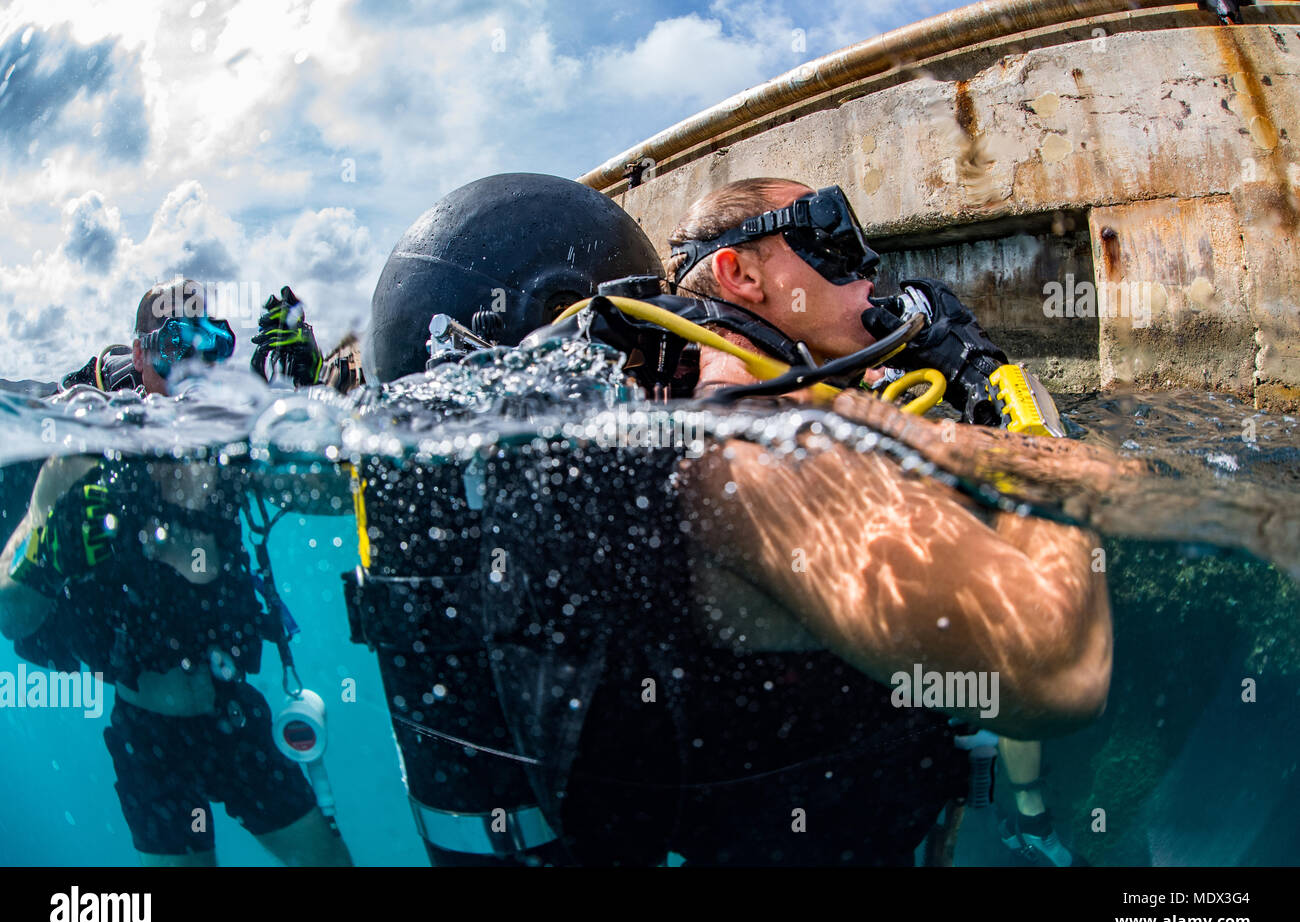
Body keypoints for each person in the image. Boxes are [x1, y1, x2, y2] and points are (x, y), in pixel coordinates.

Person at [345, 172, 1112, 865]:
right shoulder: (758, 443)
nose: (868, 269)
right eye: (831, 238)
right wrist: (1018, 405)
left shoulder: (705, 414)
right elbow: (1054, 671)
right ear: (738, 272)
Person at [0, 277, 352, 866]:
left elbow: (338, 495)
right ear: (139, 355)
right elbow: (12, 613)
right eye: (175, 344)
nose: (195, 367)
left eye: (213, 345)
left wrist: (319, 398)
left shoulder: (230, 450)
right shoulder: (81, 462)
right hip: (148, 743)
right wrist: (48, 548)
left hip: (234, 720)